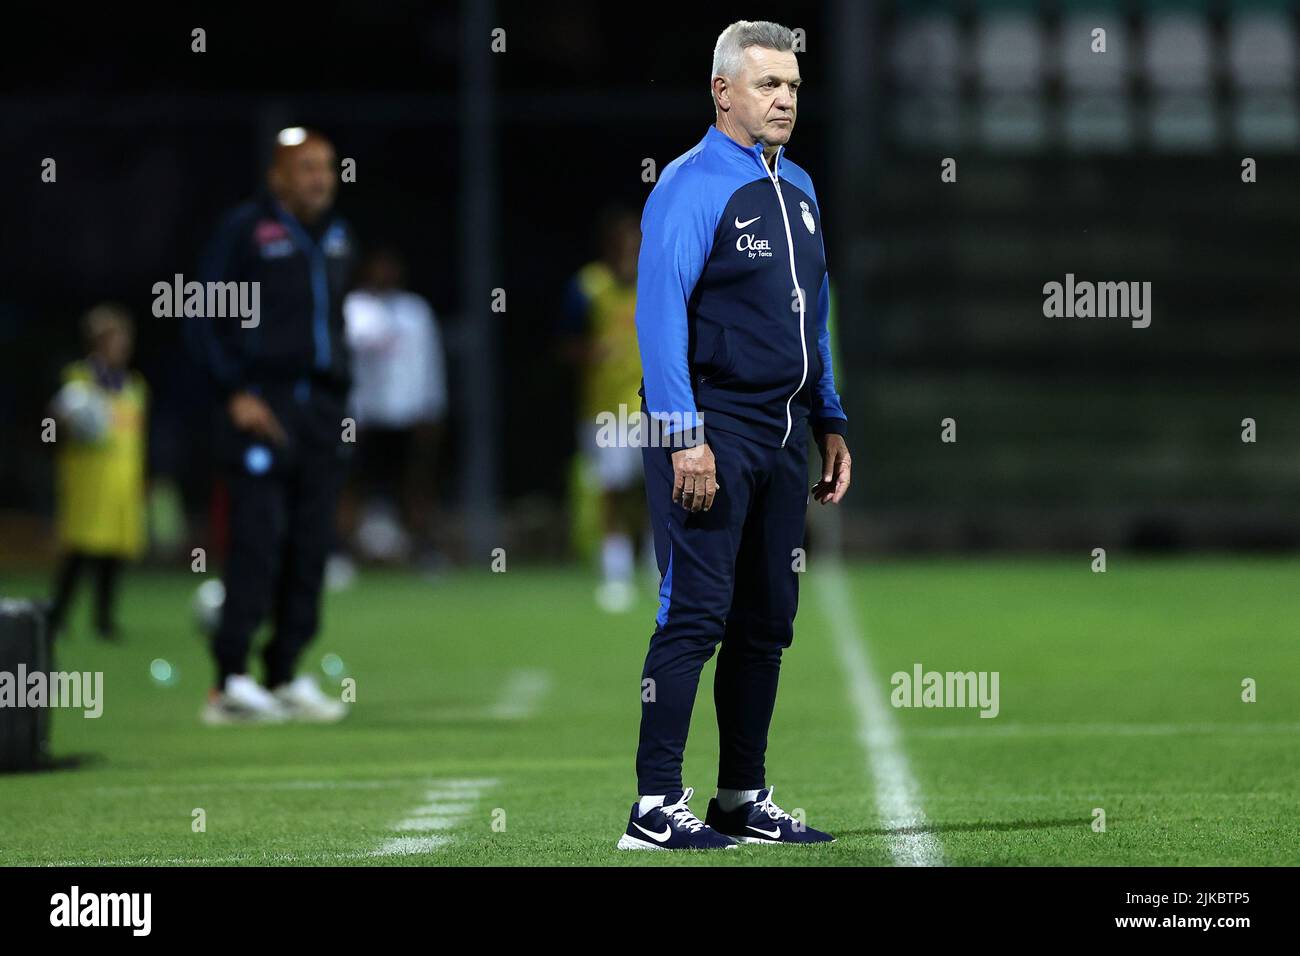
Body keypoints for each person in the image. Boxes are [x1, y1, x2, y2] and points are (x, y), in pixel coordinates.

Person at [617, 21, 852, 851]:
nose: (784, 99)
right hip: (712, 427)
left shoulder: (802, 189)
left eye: (791, 86)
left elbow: (810, 320)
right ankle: (653, 805)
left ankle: (740, 796)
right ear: (724, 92)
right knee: (696, 615)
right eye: (767, 85)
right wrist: (685, 436)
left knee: (766, 620)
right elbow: (658, 318)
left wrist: (829, 418)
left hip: (786, 432)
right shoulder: (688, 185)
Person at [188, 127, 354, 724]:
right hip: (261, 405)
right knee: (257, 542)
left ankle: (283, 672)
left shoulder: (335, 236)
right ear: (278, 176)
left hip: (321, 412)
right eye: (307, 168)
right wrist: (234, 391)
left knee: (310, 548)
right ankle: (228, 679)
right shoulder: (245, 230)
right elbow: (204, 313)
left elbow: (330, 327)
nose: (320, 178)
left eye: (327, 167)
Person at [559, 207, 647, 613]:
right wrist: (590, 352)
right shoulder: (587, 287)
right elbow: (564, 344)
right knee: (612, 490)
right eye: (622, 245)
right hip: (606, 409)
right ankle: (616, 573)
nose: (629, 253)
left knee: (661, 488)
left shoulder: (658, 282)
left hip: (658, 405)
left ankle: (659, 567)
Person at [48, 305, 148, 642]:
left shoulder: (135, 386)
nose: (123, 347)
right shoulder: (78, 380)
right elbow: (55, 425)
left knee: (113, 556)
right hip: (88, 482)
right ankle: (57, 616)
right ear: (97, 342)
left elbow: (136, 439)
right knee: (79, 552)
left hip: (122, 483)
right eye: (116, 340)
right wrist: (62, 422)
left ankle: (104, 621)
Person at [342, 247, 447, 568]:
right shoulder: (353, 308)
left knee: (415, 483)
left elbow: (429, 361)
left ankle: (423, 551)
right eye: (378, 267)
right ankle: (340, 552)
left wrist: (431, 406)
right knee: (349, 483)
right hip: (362, 413)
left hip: (407, 411)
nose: (384, 274)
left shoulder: (415, 310)